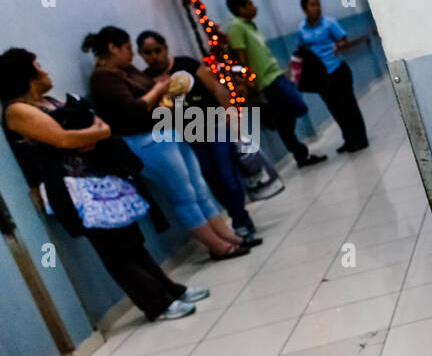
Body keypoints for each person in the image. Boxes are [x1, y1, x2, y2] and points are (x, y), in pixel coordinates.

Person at [1, 47, 206, 321]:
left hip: (99, 180)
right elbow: (63, 139)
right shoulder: (17, 110)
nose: (45, 70)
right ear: (26, 74)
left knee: (132, 242)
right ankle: (155, 304)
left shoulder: (47, 102)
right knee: (115, 252)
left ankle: (171, 290)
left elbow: (100, 126)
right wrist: (91, 133)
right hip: (74, 189)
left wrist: (91, 134)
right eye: (38, 65)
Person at [83, 26, 250, 260]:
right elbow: (134, 108)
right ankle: (217, 246)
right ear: (112, 48)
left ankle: (227, 235)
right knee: (183, 194)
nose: (133, 54)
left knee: (198, 187)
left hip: (168, 131)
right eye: (129, 48)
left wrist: (165, 93)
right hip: (147, 141)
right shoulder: (103, 79)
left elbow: (153, 94)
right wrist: (160, 89)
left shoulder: (127, 70)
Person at [137, 30, 260, 242]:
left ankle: (240, 220)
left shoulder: (187, 64)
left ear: (166, 48)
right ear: (141, 54)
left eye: (157, 50)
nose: (153, 56)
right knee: (210, 178)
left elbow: (216, 89)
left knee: (227, 176)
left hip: (214, 125)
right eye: (147, 53)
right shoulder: (147, 80)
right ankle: (238, 216)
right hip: (187, 136)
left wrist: (234, 120)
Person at [225, 0, 327, 169]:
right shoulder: (236, 27)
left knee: (285, 120)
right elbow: (241, 58)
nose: (254, 6)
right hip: (267, 81)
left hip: (275, 74)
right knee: (298, 107)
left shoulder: (250, 25)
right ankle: (286, 134)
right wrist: (247, 83)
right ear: (240, 8)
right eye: (249, 4)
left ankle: (300, 155)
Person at [297, 0, 369, 153]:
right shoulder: (302, 29)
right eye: (312, 5)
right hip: (320, 77)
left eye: (318, 4)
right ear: (304, 9)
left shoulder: (330, 23)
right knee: (335, 110)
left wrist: (340, 45)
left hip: (337, 71)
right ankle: (349, 139)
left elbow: (343, 39)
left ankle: (361, 139)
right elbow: (302, 49)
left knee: (349, 106)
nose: (317, 8)